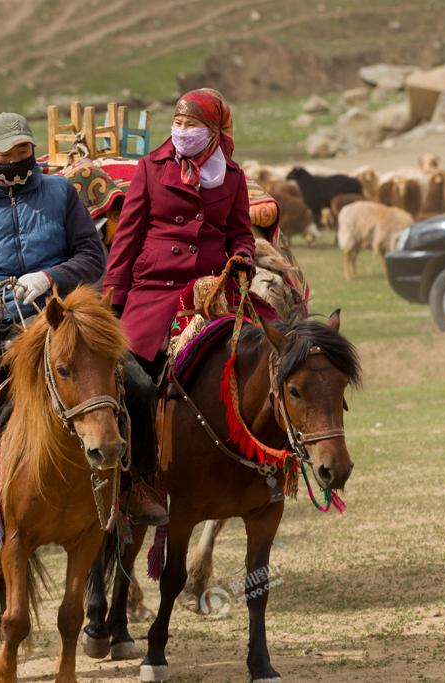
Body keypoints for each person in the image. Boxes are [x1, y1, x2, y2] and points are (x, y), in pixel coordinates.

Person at [0, 112, 142, 534]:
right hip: (0, 327)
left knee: (139, 384)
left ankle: (139, 486)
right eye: (11, 151)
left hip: (63, 321)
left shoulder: (61, 192)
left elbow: (92, 256)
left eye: (26, 149)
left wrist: (47, 278)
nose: (21, 157)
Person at [103, 88, 258, 511]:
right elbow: (128, 236)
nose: (182, 131)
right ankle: (140, 481)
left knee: (271, 356)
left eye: (193, 124)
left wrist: (243, 256)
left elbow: (240, 232)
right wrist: (112, 302)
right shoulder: (151, 168)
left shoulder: (232, 176)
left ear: (214, 130)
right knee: (135, 381)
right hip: (153, 292)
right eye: (178, 121)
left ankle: (262, 467)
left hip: (210, 292)